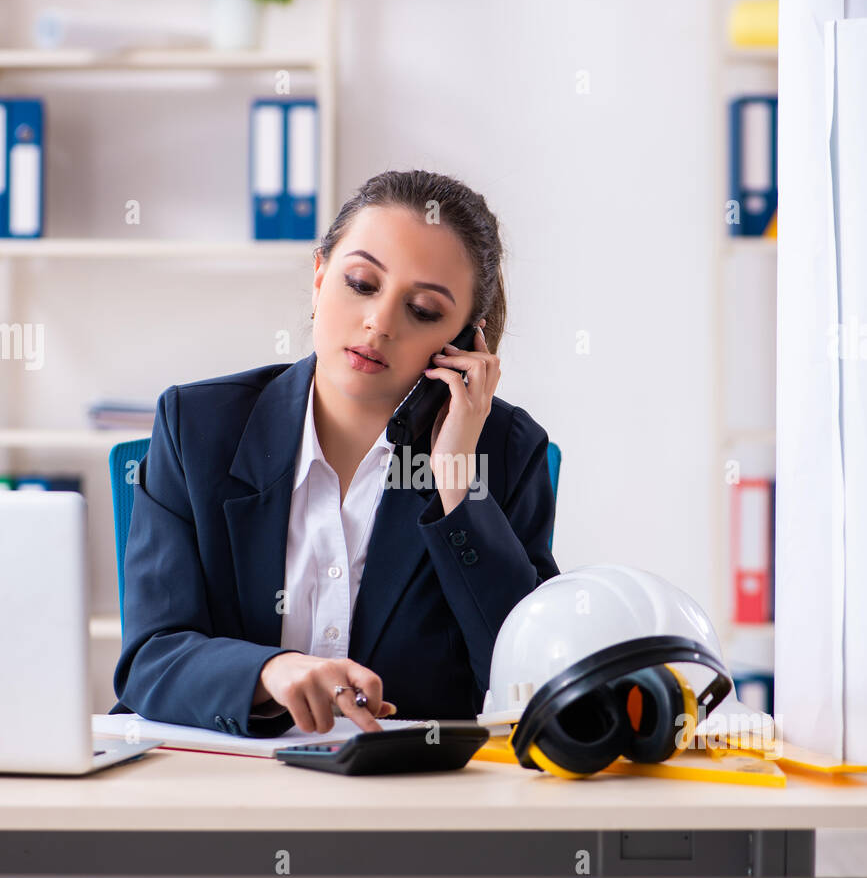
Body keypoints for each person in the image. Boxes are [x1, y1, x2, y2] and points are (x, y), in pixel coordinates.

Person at [111, 169, 559, 737]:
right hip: (220, 783)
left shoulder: (506, 453)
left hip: (416, 796)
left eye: (422, 310)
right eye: (361, 283)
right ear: (320, 275)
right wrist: (271, 671)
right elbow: (151, 657)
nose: (379, 322)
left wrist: (455, 482)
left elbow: (528, 679)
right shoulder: (195, 427)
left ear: (466, 342)